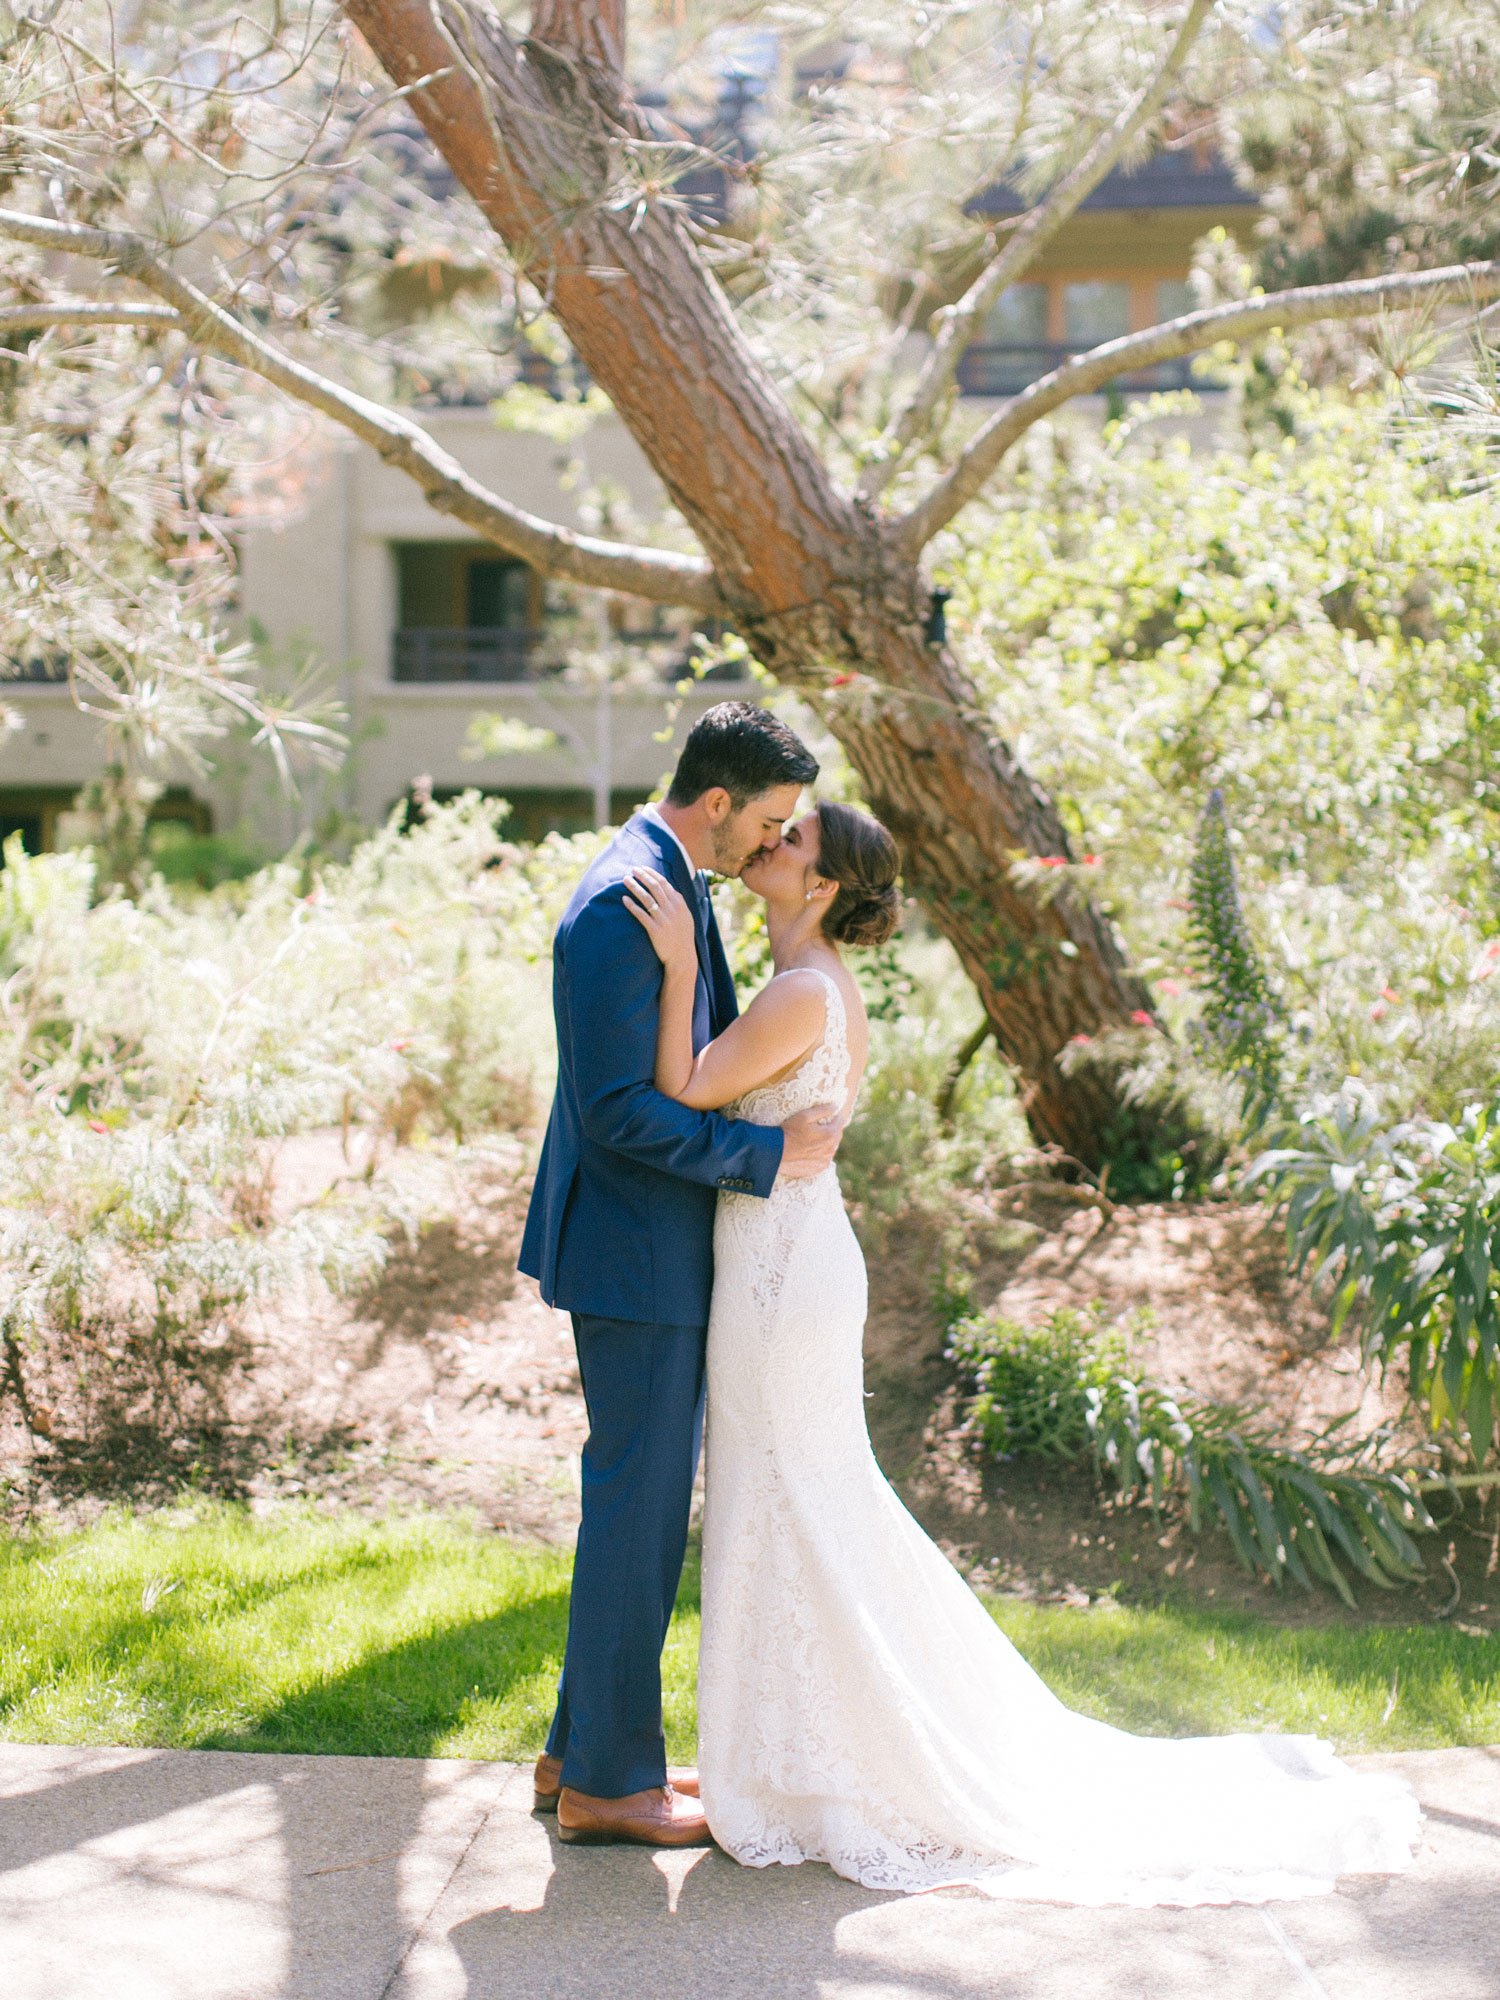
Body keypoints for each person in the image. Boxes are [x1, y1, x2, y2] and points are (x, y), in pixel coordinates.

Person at [621, 796, 1422, 1906]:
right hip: (784, 1256)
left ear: (825, 887)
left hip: (782, 1273)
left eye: (793, 838)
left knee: (792, 1496)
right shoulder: (804, 981)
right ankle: (785, 1758)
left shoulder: (806, 988)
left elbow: (680, 1088)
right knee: (793, 1496)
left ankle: (813, 1766)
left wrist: (670, 963)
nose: (772, 841)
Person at [518, 700, 838, 1849]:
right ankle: (611, 1781)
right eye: (768, 818)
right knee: (636, 1515)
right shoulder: (624, 900)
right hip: (634, 1252)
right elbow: (615, 1115)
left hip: (651, 1248)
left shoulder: (671, 880)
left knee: (636, 1512)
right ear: (718, 802)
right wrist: (767, 1155)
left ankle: (579, 1751)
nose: (773, 840)